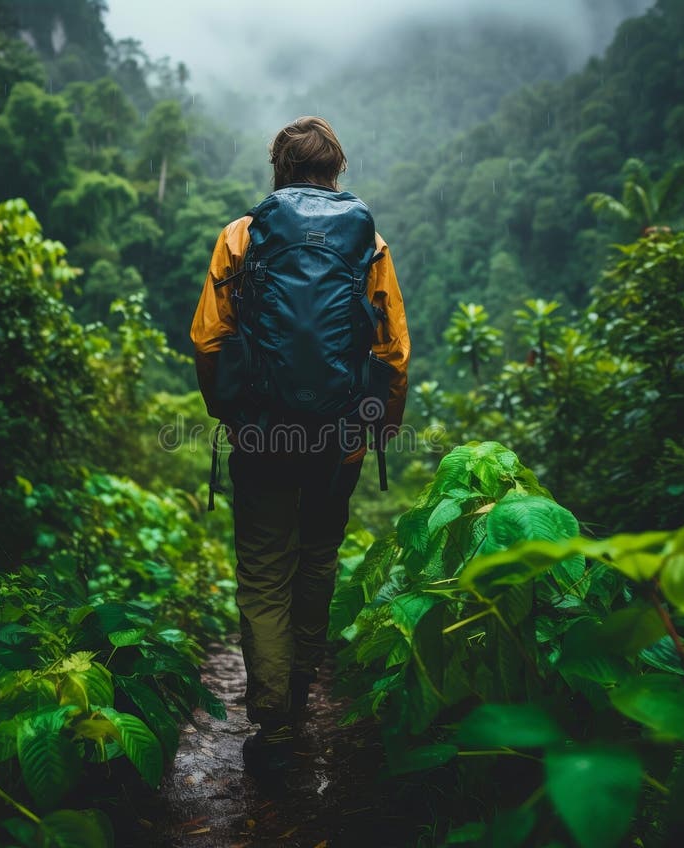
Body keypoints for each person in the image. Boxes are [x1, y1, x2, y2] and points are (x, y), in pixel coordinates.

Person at [190, 116, 410, 775]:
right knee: (316, 563)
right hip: (338, 442)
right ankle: (301, 693)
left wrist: (227, 411)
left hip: (260, 437)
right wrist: (383, 426)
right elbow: (391, 353)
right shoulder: (369, 240)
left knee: (263, 571)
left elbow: (208, 339)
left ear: (278, 170)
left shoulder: (242, 236)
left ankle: (274, 720)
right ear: (337, 170)